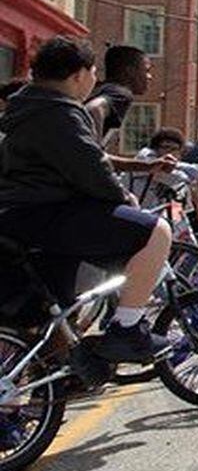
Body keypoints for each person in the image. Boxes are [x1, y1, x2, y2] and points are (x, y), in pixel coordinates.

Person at [0, 36, 173, 362]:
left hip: (18, 219)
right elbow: (90, 167)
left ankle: (51, 381)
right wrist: (123, 197)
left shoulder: (21, 109)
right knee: (156, 232)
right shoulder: (59, 112)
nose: (95, 81)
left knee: (55, 314)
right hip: (45, 216)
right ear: (79, 74)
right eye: (93, 72)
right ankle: (126, 330)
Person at [126, 127, 198, 210]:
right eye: (165, 147)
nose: (169, 152)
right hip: (134, 212)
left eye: (174, 149)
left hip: (158, 211)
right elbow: (179, 178)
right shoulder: (147, 162)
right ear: (156, 148)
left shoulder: (174, 166)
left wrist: (176, 164)